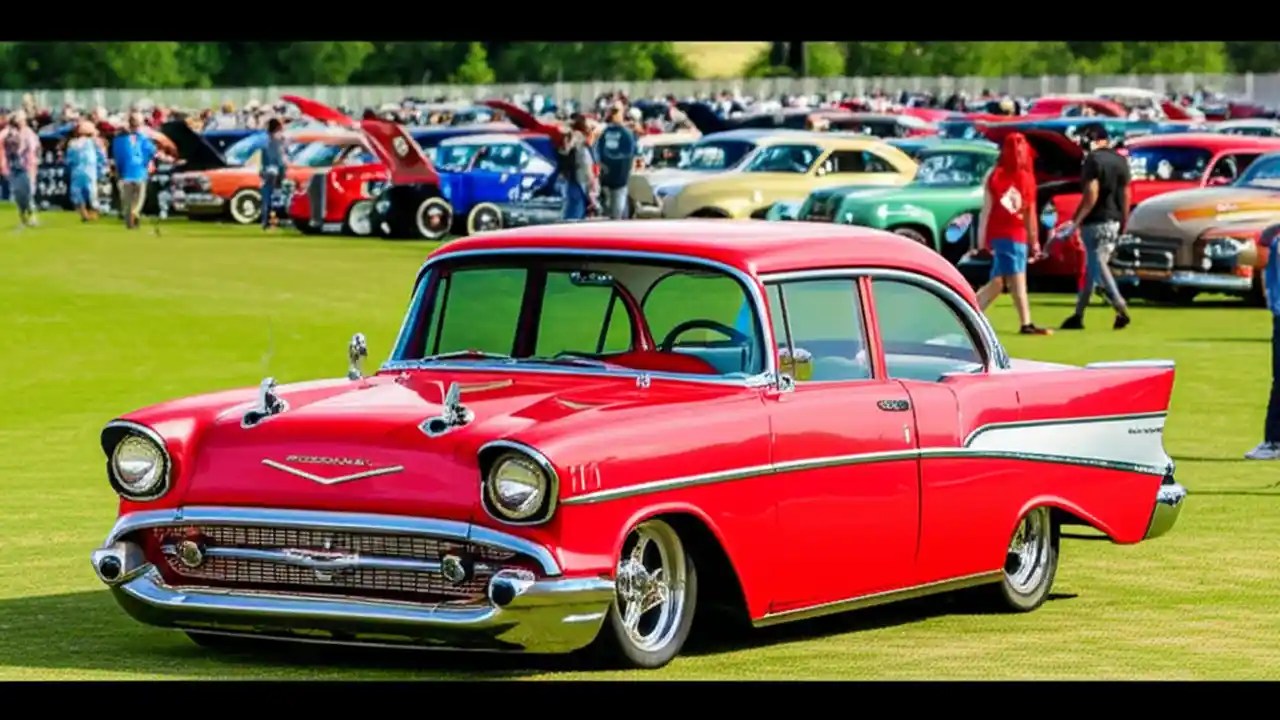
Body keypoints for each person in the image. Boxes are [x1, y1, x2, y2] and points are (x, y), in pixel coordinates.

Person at [973, 132, 1052, 335]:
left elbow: (986, 211)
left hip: (999, 234)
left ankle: (971, 312)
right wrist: (1035, 241)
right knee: (1015, 279)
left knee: (1000, 281)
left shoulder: (994, 176)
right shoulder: (1026, 178)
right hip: (1016, 235)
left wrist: (982, 240)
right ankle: (1025, 322)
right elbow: (1029, 214)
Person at [1057, 123, 1132, 330]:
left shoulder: (1093, 160)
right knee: (1091, 267)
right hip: (1114, 220)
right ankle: (1078, 314)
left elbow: (1091, 194)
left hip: (1096, 220)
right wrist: (1124, 220)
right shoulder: (1121, 160)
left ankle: (1119, 305)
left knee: (1098, 263)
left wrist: (1077, 221)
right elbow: (1126, 194)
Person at [110, 113, 158, 229]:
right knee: (138, 198)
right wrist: (148, 162)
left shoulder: (118, 140)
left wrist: (118, 170)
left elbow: (117, 156)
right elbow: (152, 151)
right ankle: (135, 213)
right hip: (139, 171)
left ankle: (129, 220)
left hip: (125, 171)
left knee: (127, 199)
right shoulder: (142, 138)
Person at [0, 110, 41, 226]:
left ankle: (32, 216)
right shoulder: (7, 132)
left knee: (28, 192)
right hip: (13, 167)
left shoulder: (29, 133)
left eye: (22, 120)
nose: (21, 122)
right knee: (18, 194)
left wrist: (34, 162)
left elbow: (34, 148)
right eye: (19, 120)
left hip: (27, 167)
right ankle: (23, 217)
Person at [595, 105, 637, 220]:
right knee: (612, 210)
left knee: (616, 210)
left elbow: (629, 154)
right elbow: (598, 151)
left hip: (617, 178)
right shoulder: (606, 132)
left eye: (615, 112)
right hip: (609, 179)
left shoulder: (625, 134)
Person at [65, 120, 107, 222]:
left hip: (80, 171)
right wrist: (101, 169)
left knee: (80, 193)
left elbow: (69, 160)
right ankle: (89, 214)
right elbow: (101, 158)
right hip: (88, 171)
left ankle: (86, 214)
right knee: (90, 193)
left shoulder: (74, 143)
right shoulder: (93, 143)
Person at [558, 114, 594, 221]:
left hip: (573, 178)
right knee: (576, 210)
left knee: (573, 207)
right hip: (578, 178)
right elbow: (585, 162)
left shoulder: (571, 137)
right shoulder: (577, 136)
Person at [260, 118, 287, 230]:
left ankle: (266, 221)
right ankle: (272, 222)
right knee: (275, 198)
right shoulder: (277, 143)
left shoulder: (265, 142)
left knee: (267, 198)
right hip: (275, 172)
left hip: (266, 172)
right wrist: (282, 171)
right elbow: (279, 160)